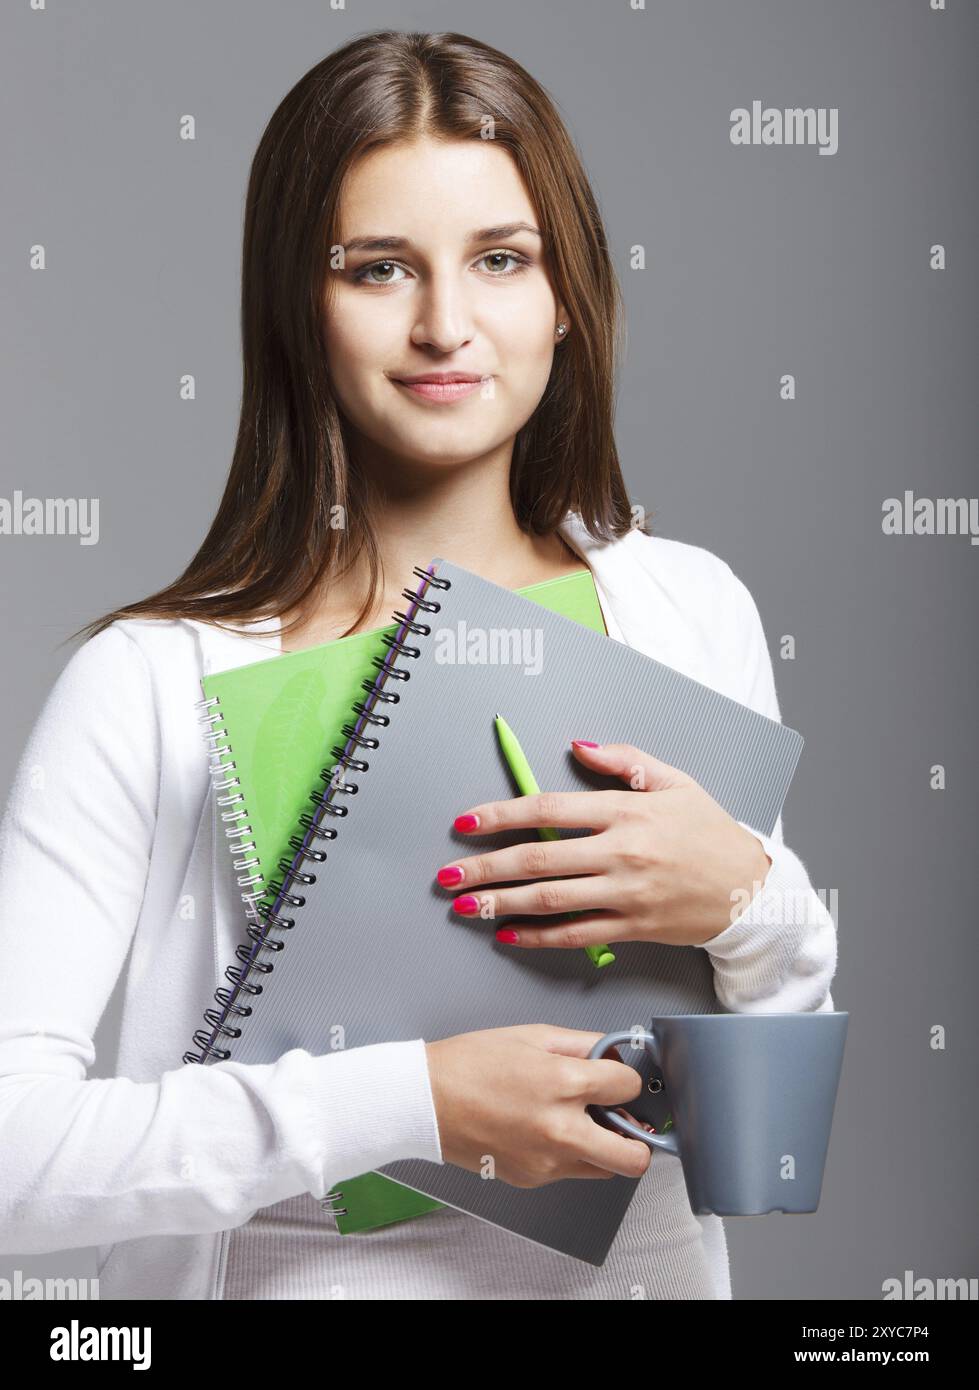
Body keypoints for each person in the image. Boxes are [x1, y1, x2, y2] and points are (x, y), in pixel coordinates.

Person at [0, 30, 837, 1300]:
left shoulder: (685, 609)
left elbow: (759, 1154)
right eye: (380, 269)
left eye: (501, 260)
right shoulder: (149, 681)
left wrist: (753, 899)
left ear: (566, 296)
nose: (446, 325)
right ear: (299, 302)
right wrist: (417, 1100)